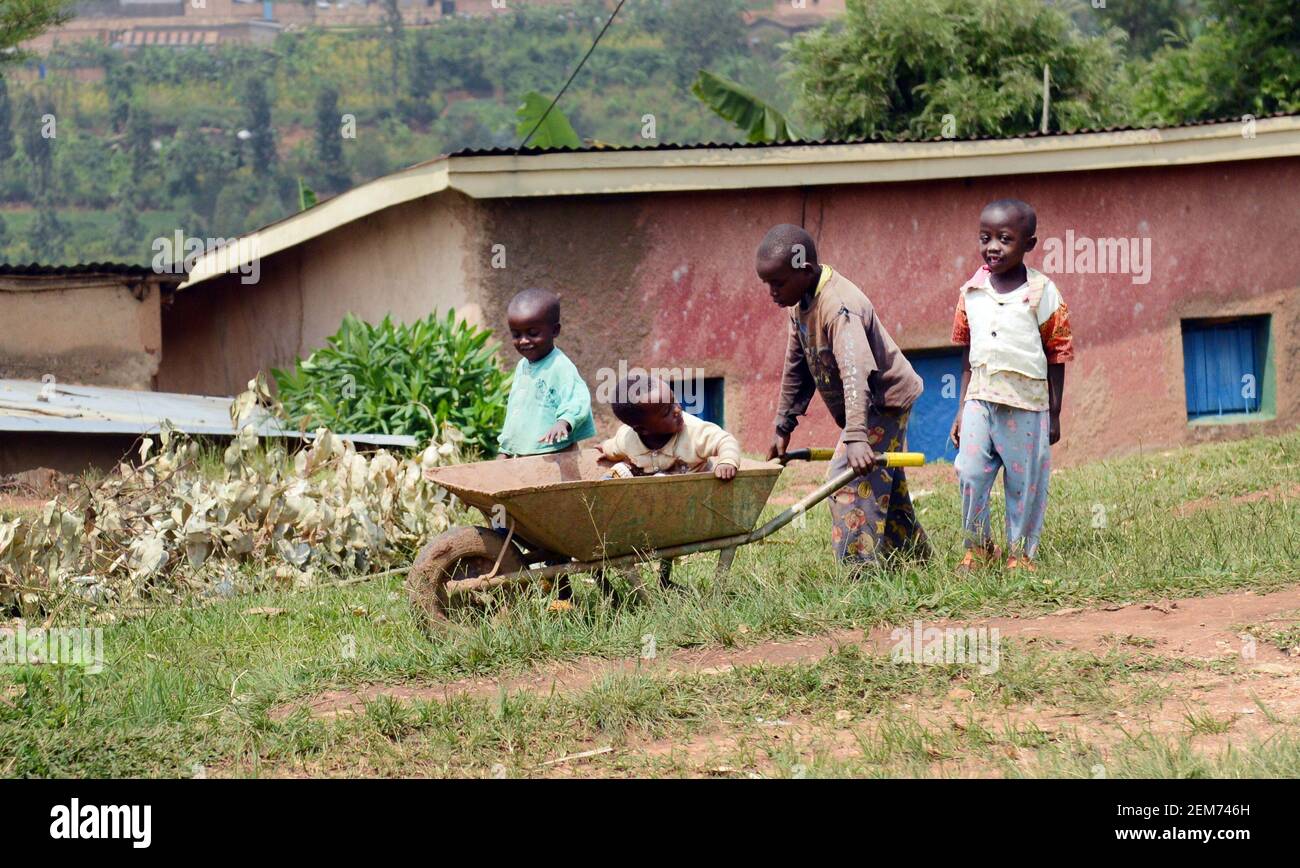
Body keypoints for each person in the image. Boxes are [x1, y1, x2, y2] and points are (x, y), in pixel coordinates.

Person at [757, 224, 929, 564]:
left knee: (847, 483)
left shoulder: (838, 307)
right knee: (883, 485)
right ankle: (913, 558)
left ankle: (859, 576)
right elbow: (798, 365)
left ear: (804, 271)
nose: (771, 292)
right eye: (767, 284)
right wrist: (782, 427)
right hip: (868, 402)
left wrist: (856, 436)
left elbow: (856, 373)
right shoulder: (800, 301)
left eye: (777, 283)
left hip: (883, 401)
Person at [949, 199, 1074, 571]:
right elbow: (966, 352)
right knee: (969, 469)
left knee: (1025, 484)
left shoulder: (1042, 292)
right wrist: (960, 408)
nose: (993, 247)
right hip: (980, 400)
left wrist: (1054, 412)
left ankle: (1020, 554)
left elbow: (1058, 353)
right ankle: (980, 548)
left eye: (1004, 239)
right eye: (985, 237)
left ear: (1029, 244)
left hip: (1027, 404)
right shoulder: (971, 291)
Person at [496, 288, 596, 458]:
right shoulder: (522, 366)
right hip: (525, 454)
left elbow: (577, 397)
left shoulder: (560, 366)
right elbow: (517, 410)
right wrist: (506, 449)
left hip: (557, 452)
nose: (524, 340)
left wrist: (563, 422)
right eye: (516, 334)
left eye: (533, 333)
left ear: (555, 330)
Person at [597, 373, 741, 480]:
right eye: (667, 411)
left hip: (692, 489)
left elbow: (724, 440)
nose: (677, 410)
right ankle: (601, 499)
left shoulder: (694, 431)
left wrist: (727, 461)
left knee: (660, 479)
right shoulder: (628, 438)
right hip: (649, 490)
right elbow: (614, 447)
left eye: (674, 400)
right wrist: (604, 448)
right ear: (642, 429)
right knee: (620, 470)